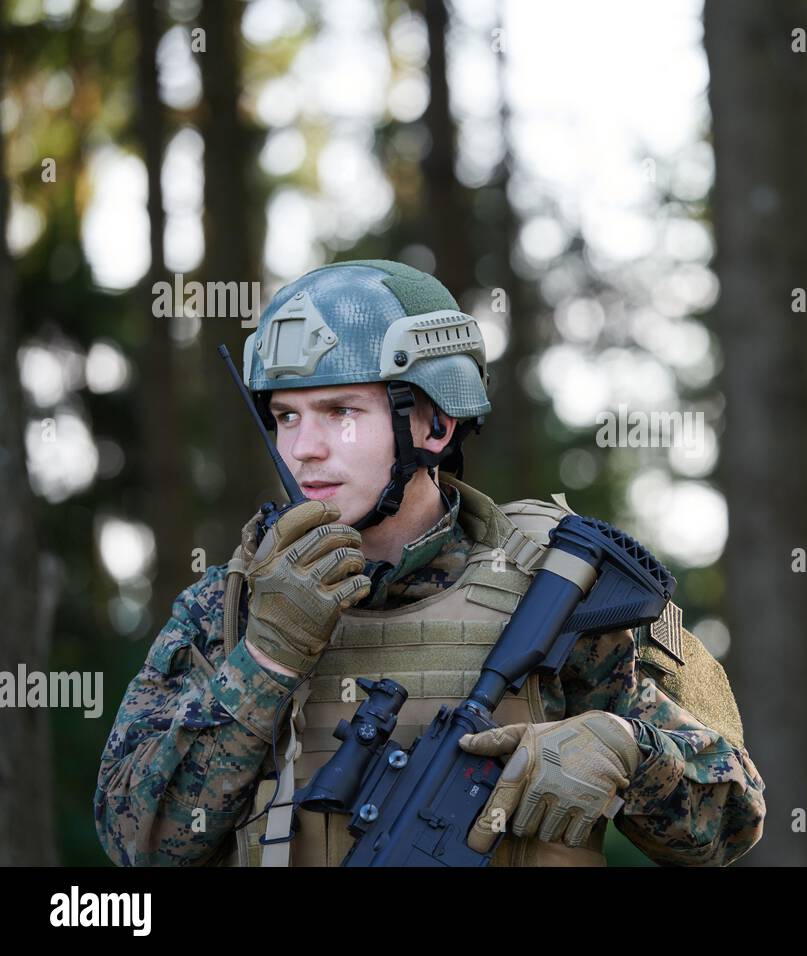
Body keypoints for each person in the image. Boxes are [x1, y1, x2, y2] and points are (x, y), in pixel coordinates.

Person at [94, 259, 765, 867]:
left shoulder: (568, 588)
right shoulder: (229, 607)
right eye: (287, 417)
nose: (305, 449)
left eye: (340, 411)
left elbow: (732, 821)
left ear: (435, 425)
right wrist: (266, 657)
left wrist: (627, 750)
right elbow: (138, 847)